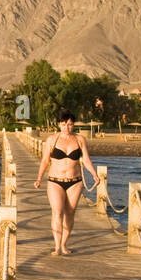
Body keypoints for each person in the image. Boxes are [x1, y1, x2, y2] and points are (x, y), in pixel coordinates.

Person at [34, 109, 99, 256]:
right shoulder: (52, 140)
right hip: (55, 181)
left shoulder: (80, 140)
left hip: (75, 182)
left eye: (70, 125)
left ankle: (64, 245)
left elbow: (86, 160)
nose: (67, 128)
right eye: (64, 124)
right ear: (59, 124)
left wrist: (94, 174)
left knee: (70, 213)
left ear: (73, 125)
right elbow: (45, 160)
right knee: (57, 212)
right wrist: (39, 178)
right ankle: (57, 246)